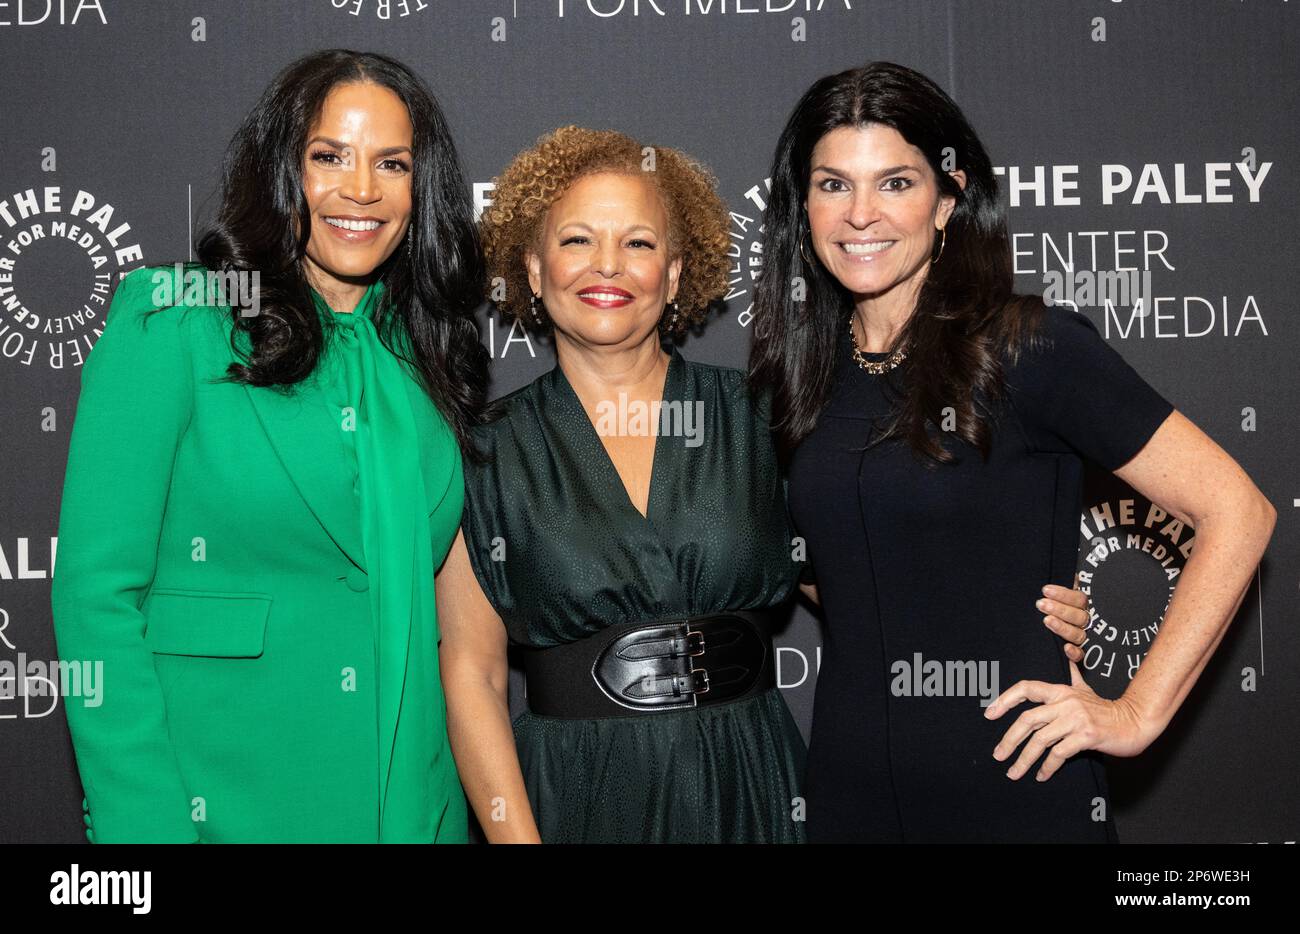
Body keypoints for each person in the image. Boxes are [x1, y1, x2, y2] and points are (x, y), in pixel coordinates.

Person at [436, 125, 1093, 843]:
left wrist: (1009, 610)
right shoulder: (482, 448)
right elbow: (473, 674)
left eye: (639, 243)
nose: (607, 267)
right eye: (575, 241)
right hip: (576, 794)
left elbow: (871, 578)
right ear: (531, 269)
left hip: (752, 785)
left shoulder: (766, 416)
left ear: (678, 273)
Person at [750, 61, 1277, 843]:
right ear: (803, 206)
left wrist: (1133, 712)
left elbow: (1239, 509)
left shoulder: (1029, 348)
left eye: (895, 183)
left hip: (1014, 787)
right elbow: (829, 564)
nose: (860, 214)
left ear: (950, 200)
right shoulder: (797, 375)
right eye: (833, 185)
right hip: (847, 791)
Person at [50, 50, 486, 843]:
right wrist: (144, 830)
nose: (361, 189)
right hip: (222, 802)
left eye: (392, 163)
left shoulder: (422, 357)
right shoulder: (175, 320)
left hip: (411, 812)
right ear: (280, 169)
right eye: (329, 157)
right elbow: (95, 597)